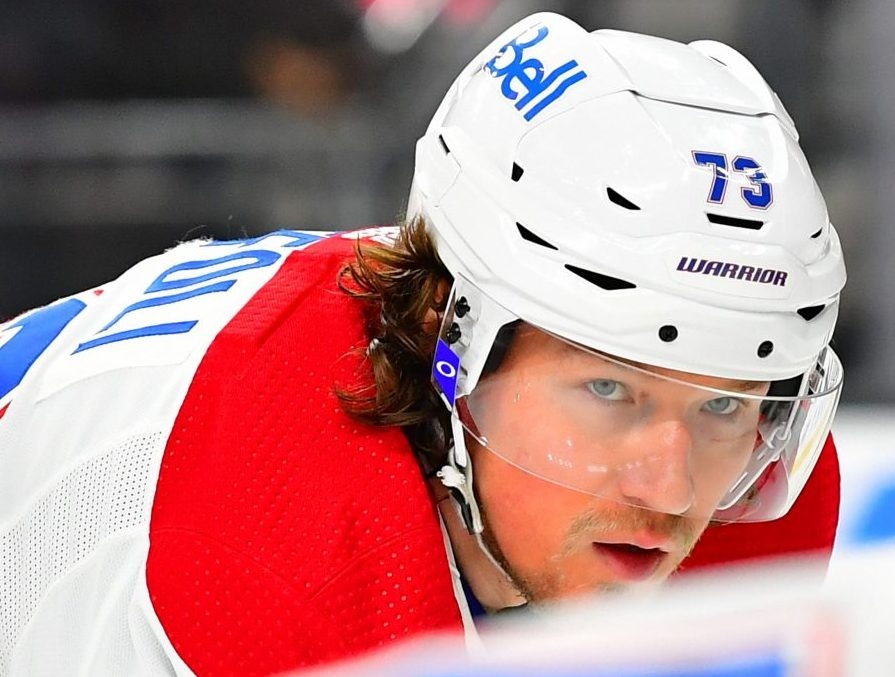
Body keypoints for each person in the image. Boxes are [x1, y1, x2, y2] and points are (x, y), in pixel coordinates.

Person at [0, 11, 846, 677]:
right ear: (447, 337)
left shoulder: (747, 506)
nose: (668, 488)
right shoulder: (274, 546)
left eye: (722, 403)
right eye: (607, 389)